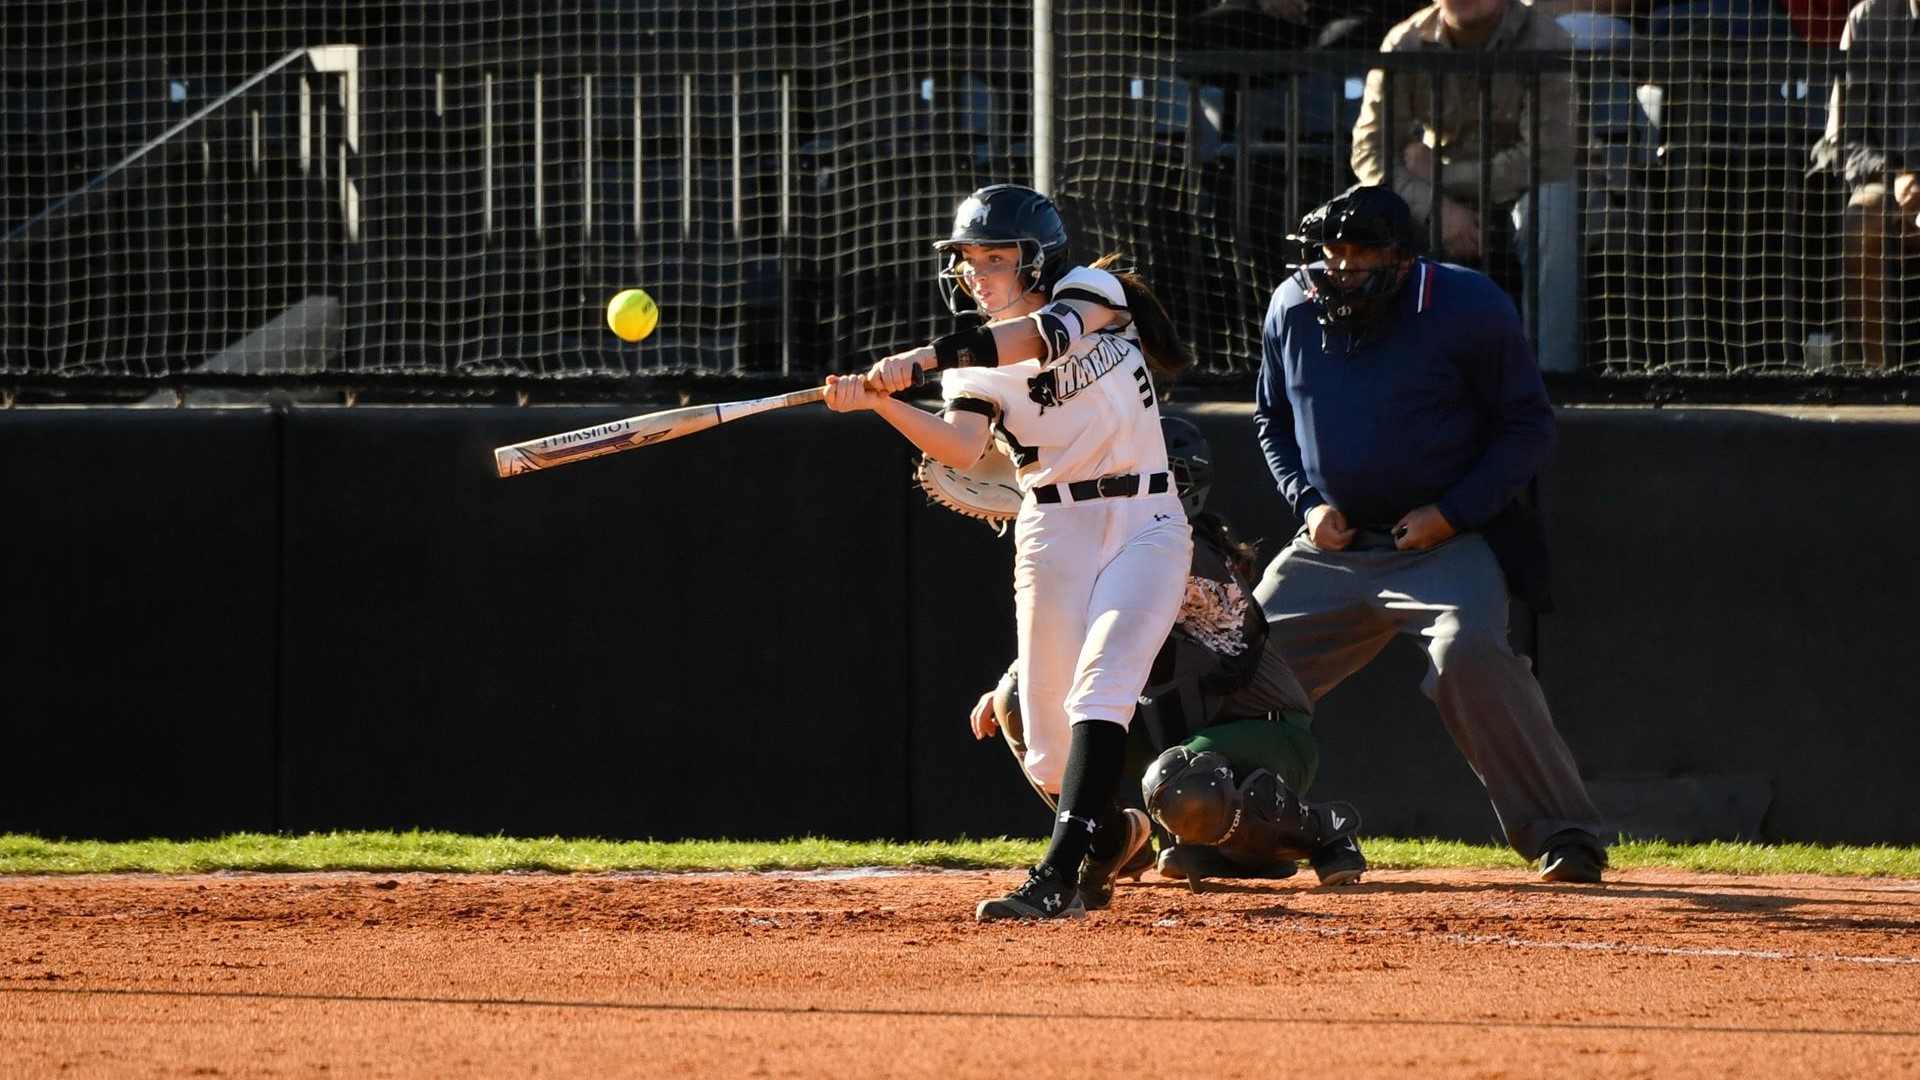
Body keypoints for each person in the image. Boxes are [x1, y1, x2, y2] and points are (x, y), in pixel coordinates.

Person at [824, 183, 1195, 921]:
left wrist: (921, 359)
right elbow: (963, 446)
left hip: (1146, 518)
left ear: (1037, 259)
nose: (978, 273)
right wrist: (882, 402)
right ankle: (1114, 834)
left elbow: (1042, 338)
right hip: (1053, 529)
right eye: (969, 259)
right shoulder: (973, 369)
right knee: (1050, 751)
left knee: (1104, 687)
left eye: (995, 258)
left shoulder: (1091, 293)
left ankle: (1056, 876)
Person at [1252, 183, 1610, 884]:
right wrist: (1307, 502)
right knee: (1240, 662)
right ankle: (1230, 829)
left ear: (1402, 257)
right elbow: (1272, 419)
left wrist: (1451, 512)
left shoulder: (1467, 303)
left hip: (1444, 542)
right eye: (1332, 252)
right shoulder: (1292, 304)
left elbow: (1526, 424)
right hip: (1330, 549)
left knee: (1468, 652)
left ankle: (1565, 835)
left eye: (1362, 252)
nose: (1343, 266)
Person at [968, 417, 1368, 907]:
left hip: (1266, 734)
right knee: (1020, 701)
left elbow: (1110, 609)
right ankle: (1112, 840)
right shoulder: (1122, 548)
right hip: (1173, 737)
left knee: (1182, 781)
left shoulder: (1180, 551)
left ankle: (1323, 828)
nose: (1115, 482)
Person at [1349, 0, 1585, 373]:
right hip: (1439, 188)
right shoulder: (1404, 42)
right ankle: (1379, 377)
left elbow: (1548, 158)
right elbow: (1370, 153)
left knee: (1553, 205)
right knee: (1359, 209)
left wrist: (1442, 176)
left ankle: (1552, 379)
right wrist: (1436, 207)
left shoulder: (1548, 38)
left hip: (1523, 186)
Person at [1811, 0, 1920, 370]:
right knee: (1861, 224)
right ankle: (1878, 375)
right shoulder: (1868, 18)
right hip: (1888, 183)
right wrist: (1894, 175)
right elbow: (1845, 137)